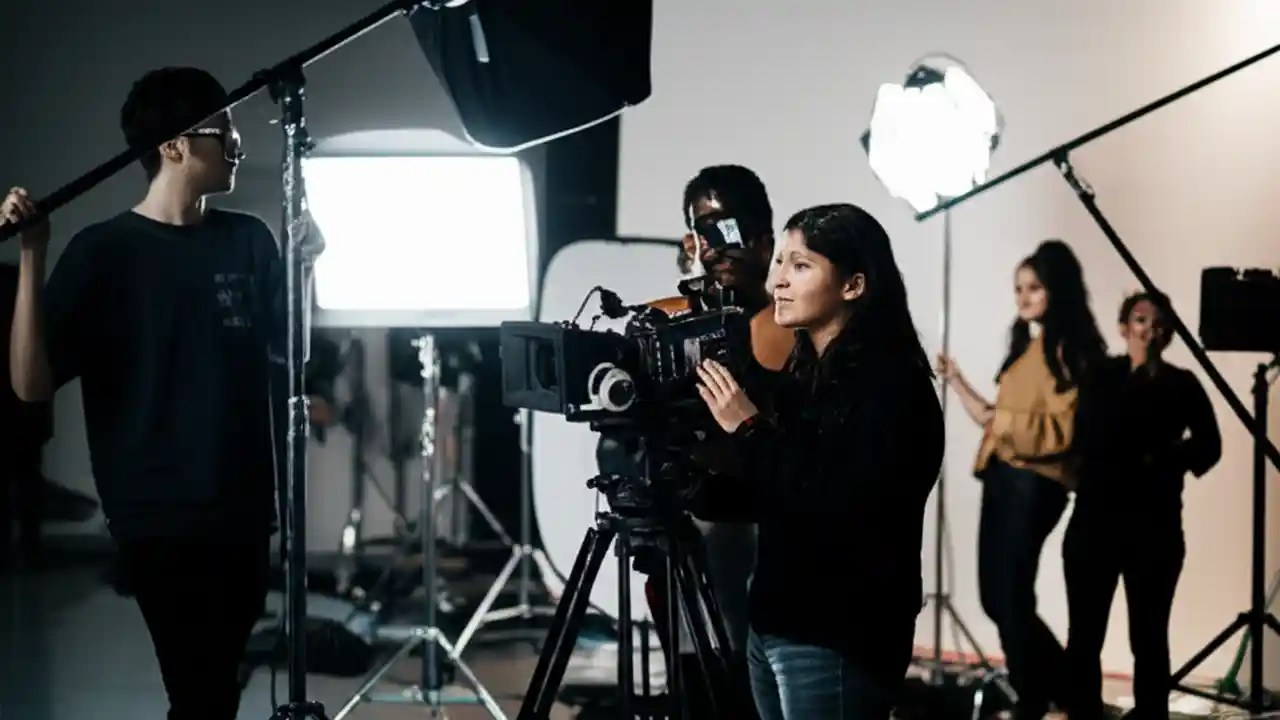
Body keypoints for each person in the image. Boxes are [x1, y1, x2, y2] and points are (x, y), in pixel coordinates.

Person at [4, 66, 304, 720]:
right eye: (222, 131)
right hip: (156, 513)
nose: (236, 146)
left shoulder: (249, 241)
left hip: (245, 508)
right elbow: (30, 382)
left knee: (214, 689)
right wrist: (33, 255)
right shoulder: (103, 254)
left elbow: (293, 355)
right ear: (172, 146)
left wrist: (308, 273)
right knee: (199, 688)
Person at [686, 202, 943, 719]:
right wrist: (690, 482)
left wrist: (748, 425)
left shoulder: (894, 386)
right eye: (779, 262)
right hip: (776, 621)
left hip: (838, 634)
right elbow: (774, 494)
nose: (778, 280)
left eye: (800, 265)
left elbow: (834, 501)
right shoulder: (806, 376)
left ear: (853, 285)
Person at [936, 239, 1107, 720]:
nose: (1023, 297)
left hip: (1035, 485)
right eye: (1018, 289)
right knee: (999, 598)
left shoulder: (1071, 352)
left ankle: (1037, 697)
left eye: (1034, 288)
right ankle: (1064, 691)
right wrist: (957, 381)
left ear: (1058, 289)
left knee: (1010, 597)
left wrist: (1002, 419)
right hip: (1004, 478)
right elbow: (996, 420)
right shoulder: (1029, 348)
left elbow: (1061, 430)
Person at [1064, 291, 1220, 720]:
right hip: (1095, 523)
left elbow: (1210, 446)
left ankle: (1150, 715)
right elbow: (1086, 437)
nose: (1150, 330)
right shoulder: (1100, 375)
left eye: (1159, 323)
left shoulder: (1182, 384)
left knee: (1149, 637)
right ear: (1123, 327)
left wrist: (1165, 459)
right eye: (1140, 320)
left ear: (1169, 333)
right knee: (1084, 636)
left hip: (1154, 529)